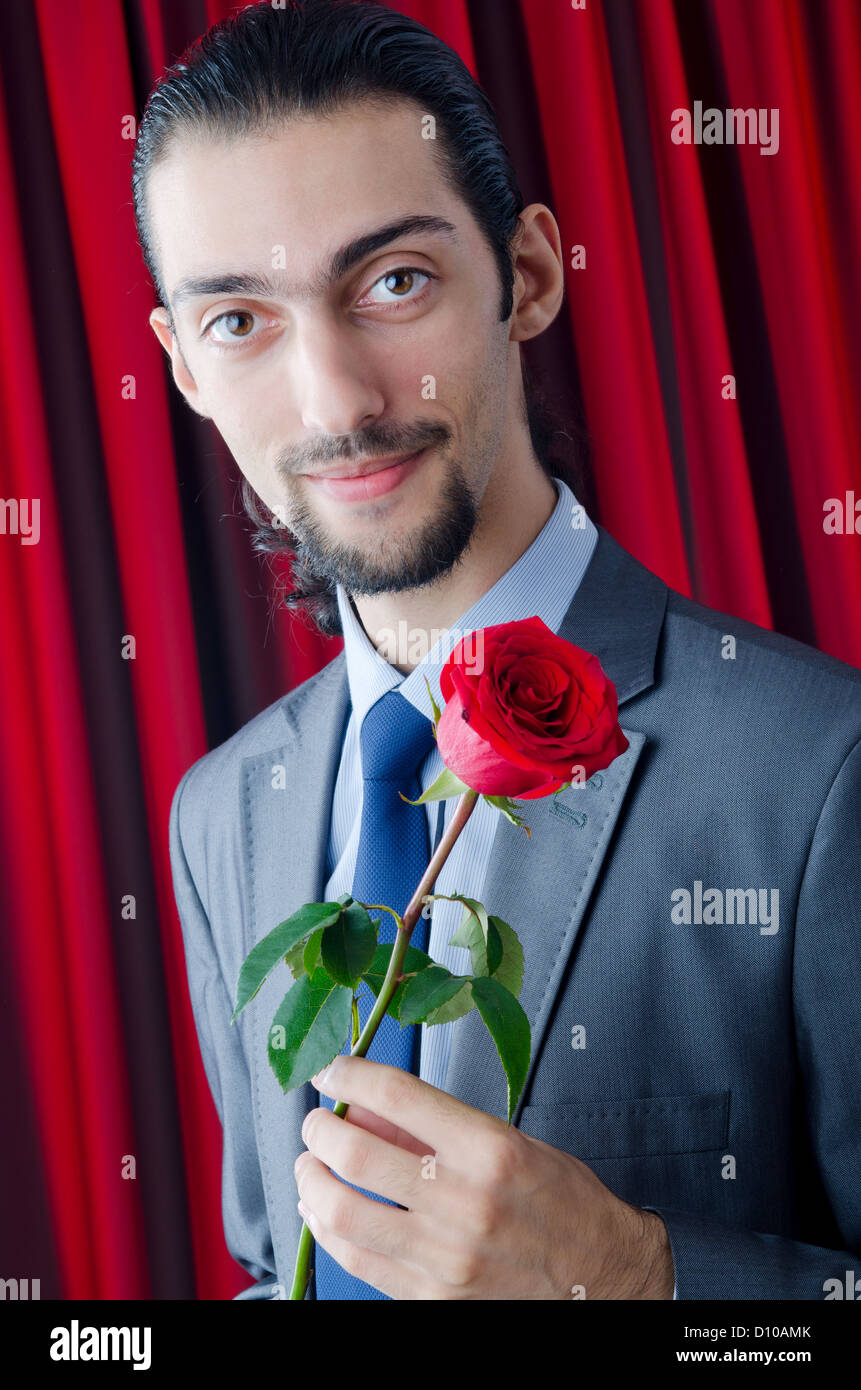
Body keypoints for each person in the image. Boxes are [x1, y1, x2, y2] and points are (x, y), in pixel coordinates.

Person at [137, 1, 861, 1300]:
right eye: (239, 319)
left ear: (525, 275)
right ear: (183, 365)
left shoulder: (819, 772)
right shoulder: (220, 810)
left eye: (394, 282)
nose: (338, 403)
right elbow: (270, 1262)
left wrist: (639, 1275)